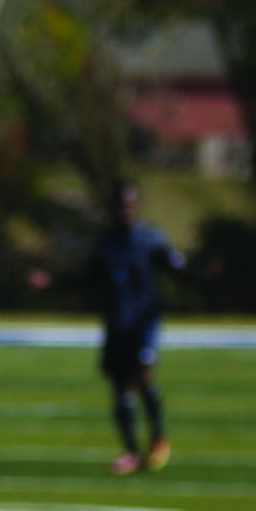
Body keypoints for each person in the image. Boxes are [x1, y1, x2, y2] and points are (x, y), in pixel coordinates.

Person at [32, 179, 188, 475]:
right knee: (120, 386)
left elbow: (177, 269)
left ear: (136, 206)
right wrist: (52, 284)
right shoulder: (106, 242)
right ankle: (130, 451)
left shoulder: (151, 239)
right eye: (119, 205)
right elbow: (87, 279)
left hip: (144, 321)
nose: (124, 211)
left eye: (128, 204)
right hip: (117, 320)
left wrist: (205, 272)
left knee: (143, 375)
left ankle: (158, 437)